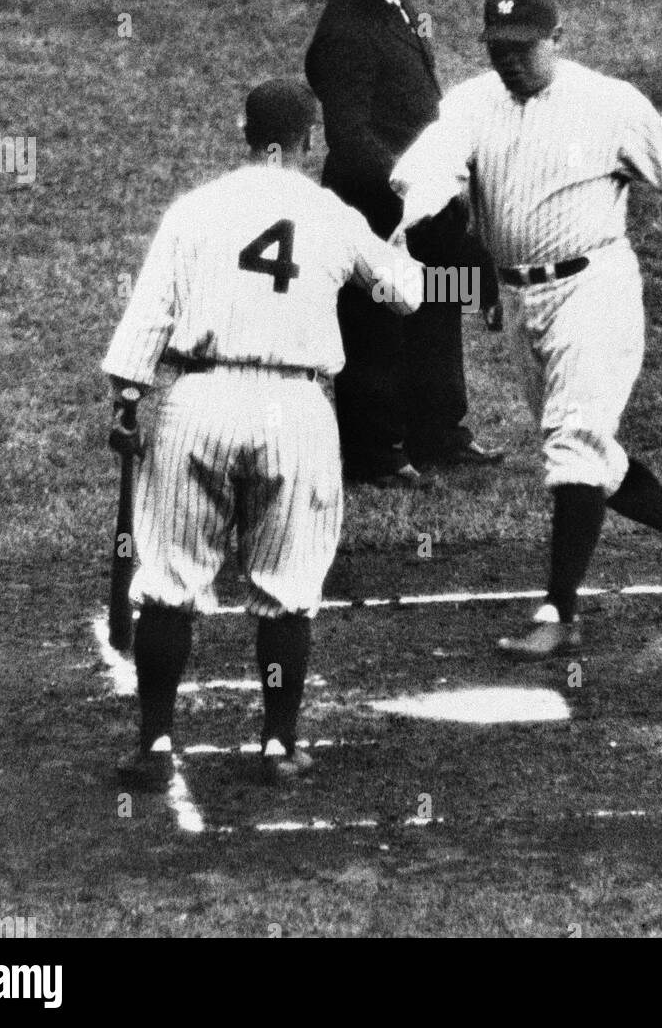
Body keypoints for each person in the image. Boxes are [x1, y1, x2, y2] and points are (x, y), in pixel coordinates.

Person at [390, 0, 662, 658]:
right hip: (519, 300)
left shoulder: (610, 104)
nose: (508, 61)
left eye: (522, 48)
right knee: (589, 457)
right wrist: (410, 216)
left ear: (557, 38)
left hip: (594, 290)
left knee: (573, 445)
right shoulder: (472, 102)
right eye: (498, 49)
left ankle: (558, 612)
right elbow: (430, 167)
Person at [103, 80, 423, 790]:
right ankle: (278, 746)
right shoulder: (329, 212)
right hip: (297, 409)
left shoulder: (195, 210)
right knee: (286, 588)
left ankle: (153, 746)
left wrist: (126, 399)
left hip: (201, 398)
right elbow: (403, 293)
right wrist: (398, 245)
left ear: (242, 129)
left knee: (168, 583)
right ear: (310, 139)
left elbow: (149, 313)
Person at [305, 0, 502, 487]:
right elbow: (348, 135)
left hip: (424, 196)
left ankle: (438, 432)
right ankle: (375, 454)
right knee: (377, 326)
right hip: (377, 204)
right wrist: (405, 183)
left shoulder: (397, 2)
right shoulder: (345, 28)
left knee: (439, 306)